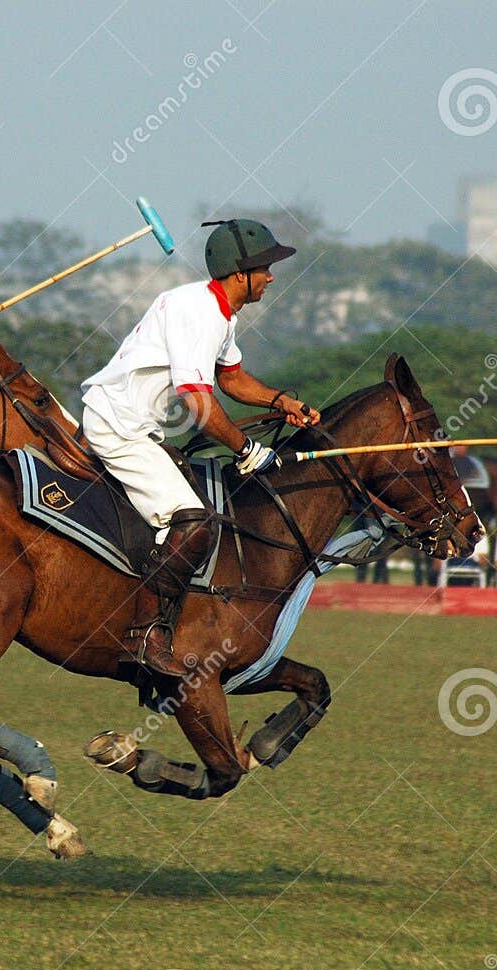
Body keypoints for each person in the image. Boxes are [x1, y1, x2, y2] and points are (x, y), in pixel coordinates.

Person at [79, 217, 320, 676]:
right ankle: (145, 636)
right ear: (239, 273)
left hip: (138, 427)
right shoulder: (200, 313)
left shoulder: (218, 312)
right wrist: (247, 449)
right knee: (191, 524)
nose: (271, 276)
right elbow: (197, 401)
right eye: (265, 267)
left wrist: (282, 401)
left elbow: (230, 377)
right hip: (119, 427)